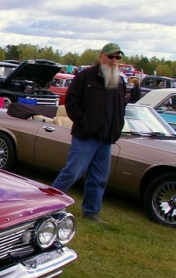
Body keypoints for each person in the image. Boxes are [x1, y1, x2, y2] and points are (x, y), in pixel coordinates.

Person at [51, 42, 127, 224]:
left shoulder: (119, 82)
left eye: (117, 57)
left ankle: (91, 212)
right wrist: (84, 122)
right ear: (102, 56)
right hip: (86, 136)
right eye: (111, 57)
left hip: (106, 139)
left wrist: (117, 127)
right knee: (72, 172)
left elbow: (121, 108)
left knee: (99, 178)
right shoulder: (86, 77)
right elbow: (71, 102)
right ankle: (49, 206)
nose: (114, 61)